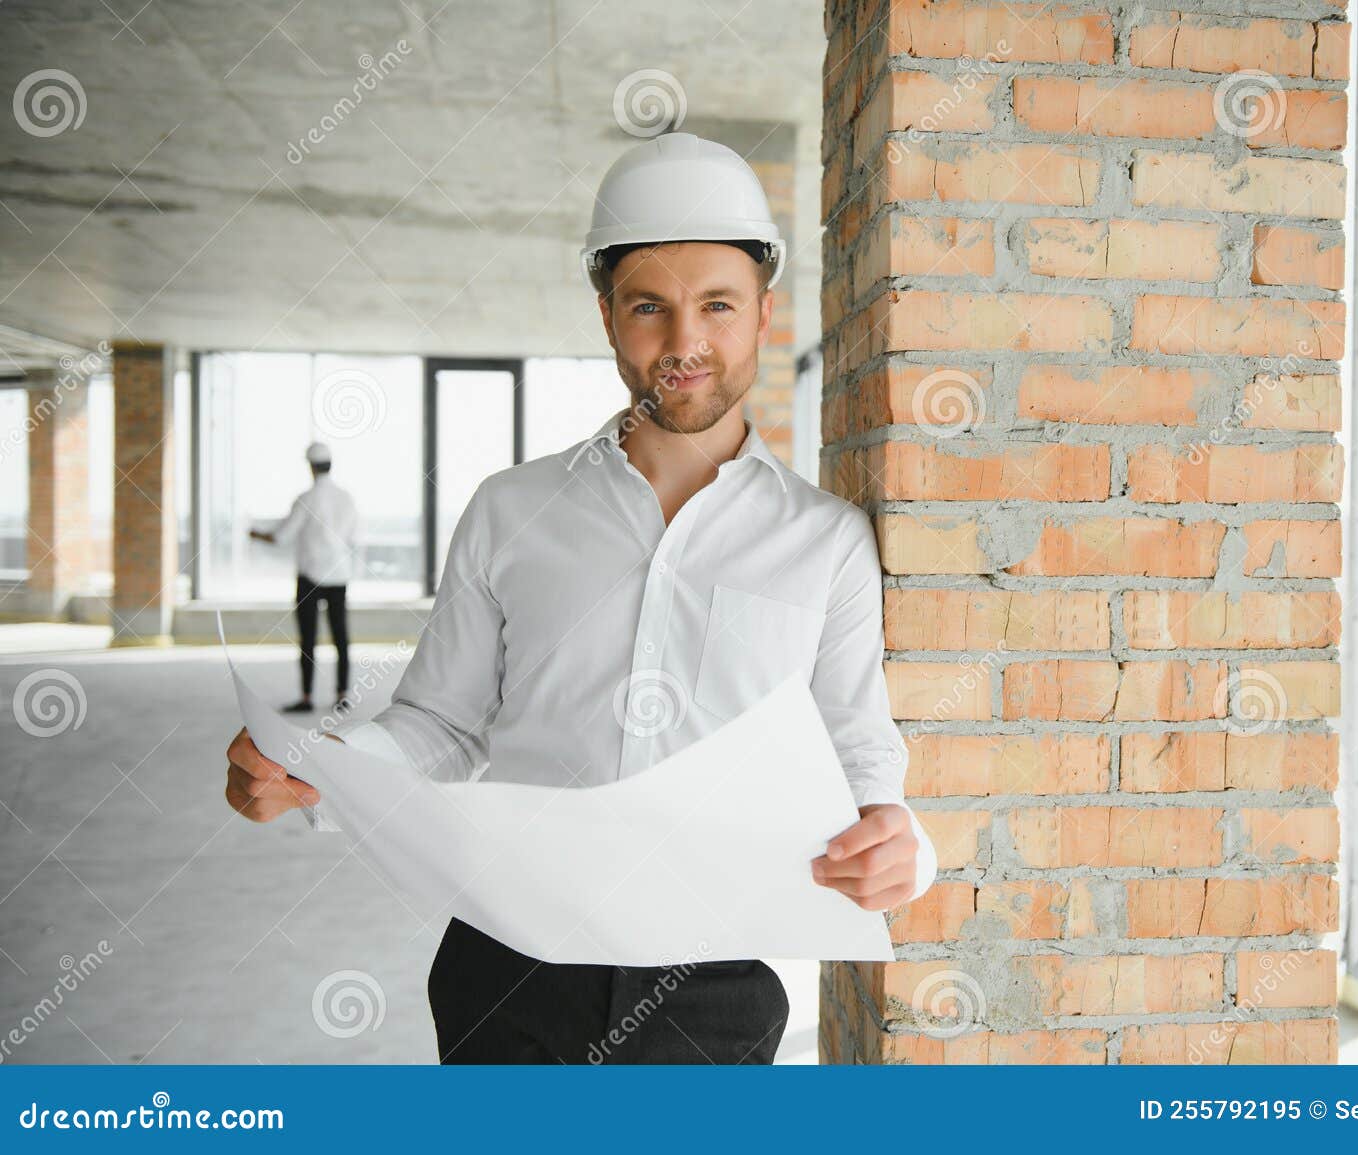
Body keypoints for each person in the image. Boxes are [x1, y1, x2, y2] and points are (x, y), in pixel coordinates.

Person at [223, 132, 935, 1065]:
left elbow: (858, 751)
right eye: (649, 307)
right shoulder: (510, 511)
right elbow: (442, 723)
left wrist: (901, 841)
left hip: (713, 992)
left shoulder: (827, 543)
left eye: (718, 305)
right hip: (504, 967)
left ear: (765, 313)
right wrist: (324, 770)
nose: (684, 342)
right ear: (607, 317)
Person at [249, 441, 362, 714]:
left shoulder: (306, 499)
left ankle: (307, 696)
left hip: (310, 577)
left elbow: (282, 537)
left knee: (308, 639)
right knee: (341, 637)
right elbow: (355, 538)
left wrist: (255, 534)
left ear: (311, 467)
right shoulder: (346, 498)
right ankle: (342, 695)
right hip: (339, 576)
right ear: (330, 465)